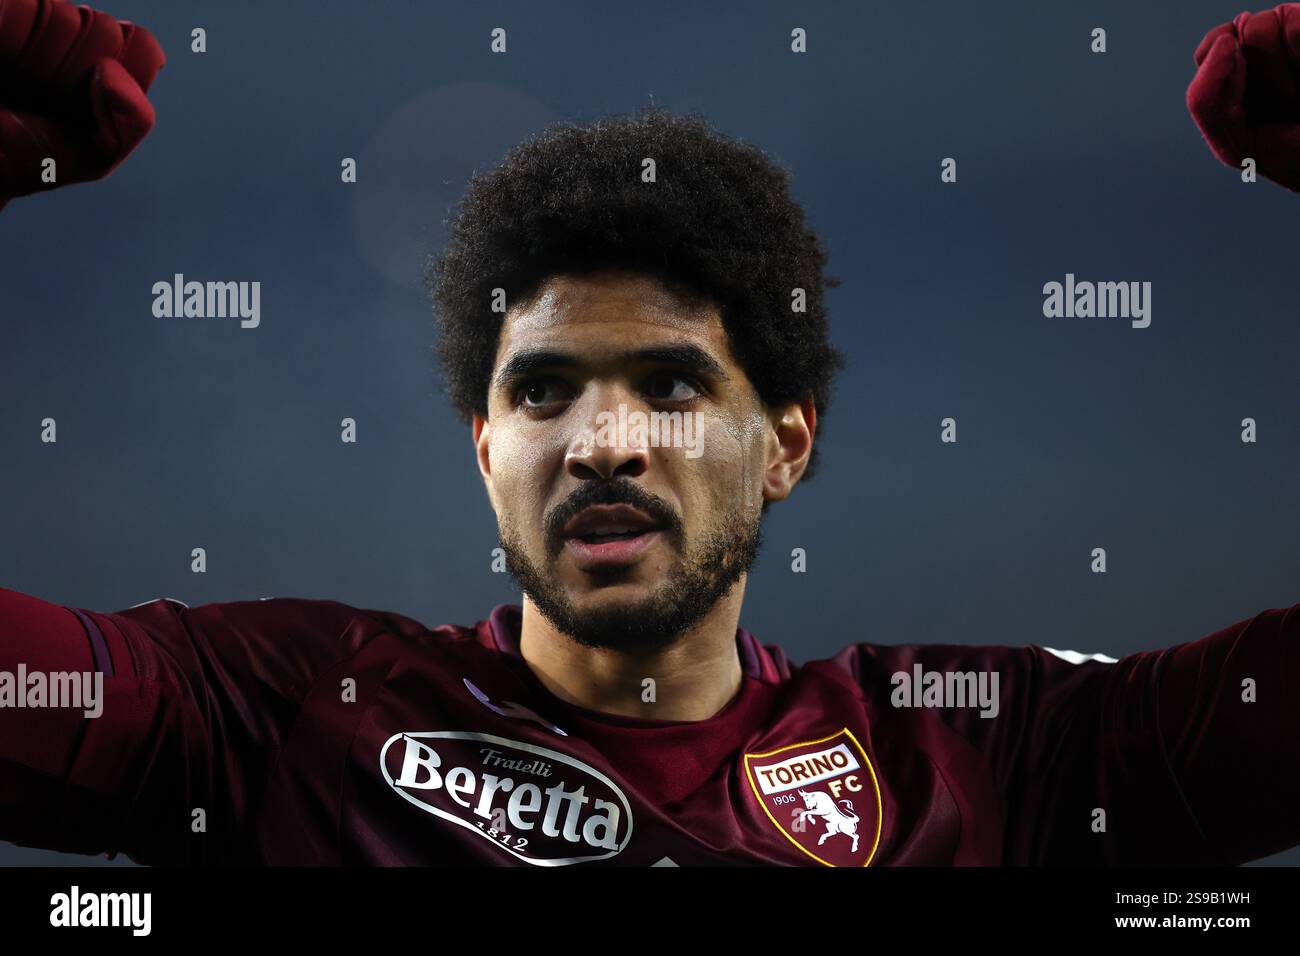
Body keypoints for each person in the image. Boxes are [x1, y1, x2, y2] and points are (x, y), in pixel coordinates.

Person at [1, 0, 1297, 867]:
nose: (602, 441)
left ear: (785, 443)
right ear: (484, 446)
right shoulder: (278, 710)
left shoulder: (983, 750)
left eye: (672, 387)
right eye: (545, 390)